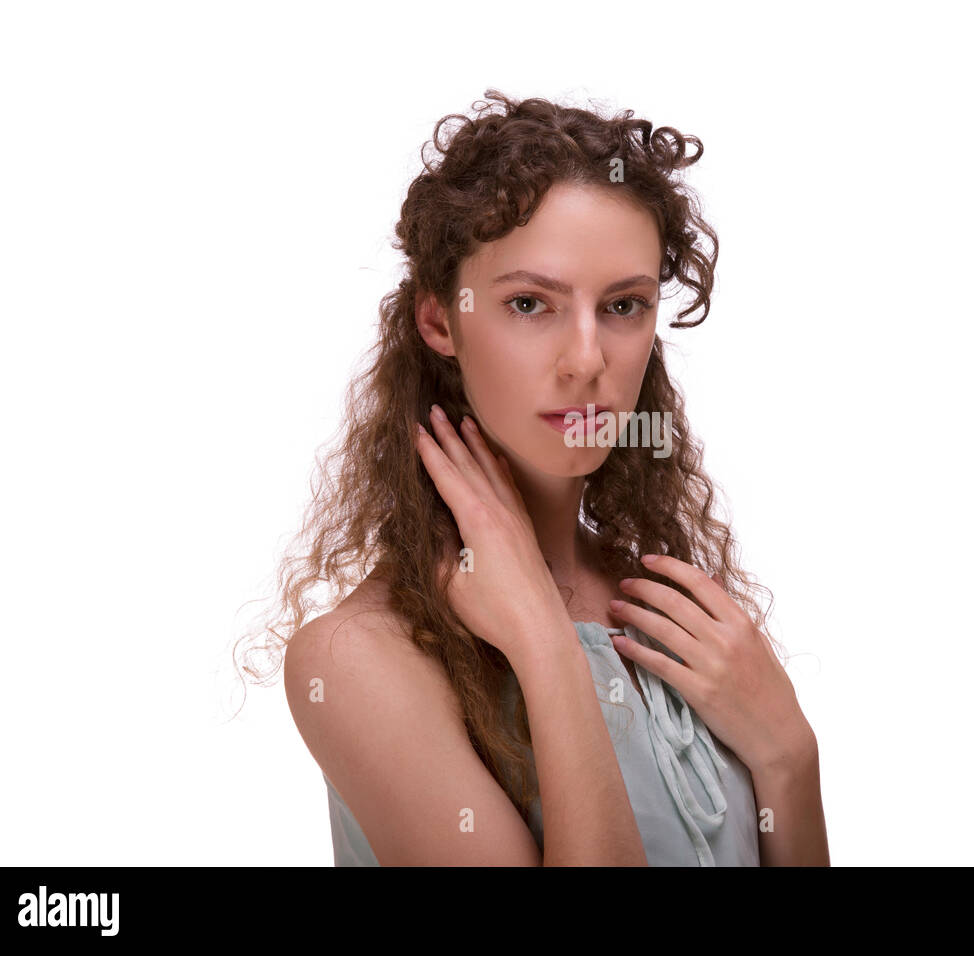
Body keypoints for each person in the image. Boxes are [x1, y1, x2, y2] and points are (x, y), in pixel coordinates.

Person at [235, 89, 828, 865]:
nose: (588, 359)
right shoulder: (356, 658)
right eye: (528, 302)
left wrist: (791, 758)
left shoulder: (677, 611)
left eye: (623, 306)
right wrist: (545, 649)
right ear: (440, 320)